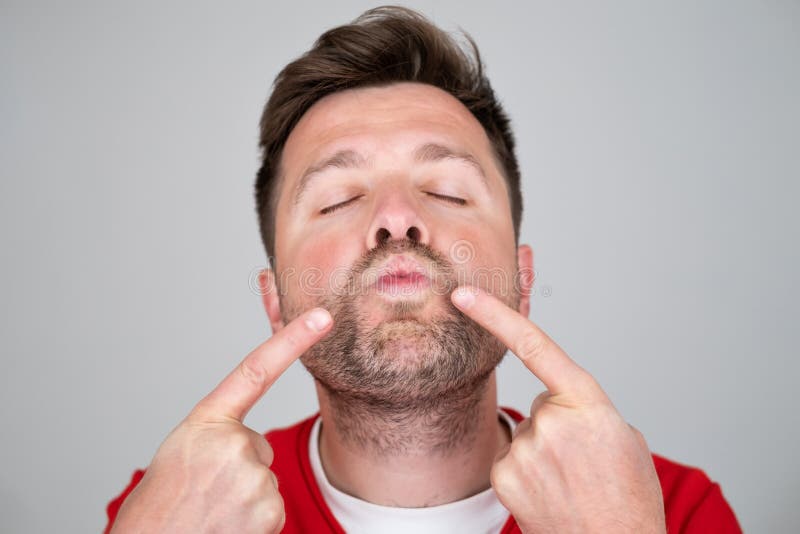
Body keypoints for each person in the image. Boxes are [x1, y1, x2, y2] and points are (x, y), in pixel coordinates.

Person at [104, 6, 741, 533]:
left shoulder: (667, 511)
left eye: (446, 191)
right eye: (338, 199)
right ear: (276, 303)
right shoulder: (174, 510)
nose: (397, 218)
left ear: (521, 281)